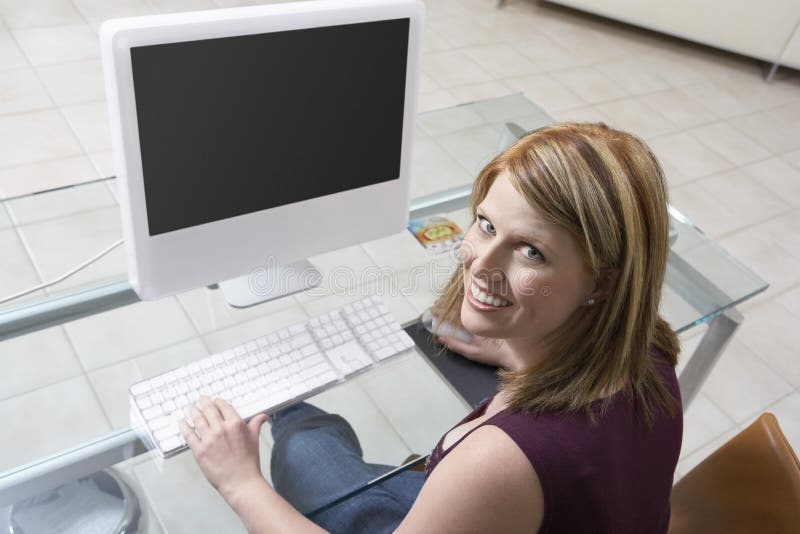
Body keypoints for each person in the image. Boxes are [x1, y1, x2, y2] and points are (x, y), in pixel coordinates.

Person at [179, 122, 683, 533]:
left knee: (304, 448)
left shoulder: (498, 462)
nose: (479, 264)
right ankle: (287, 410)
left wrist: (239, 483)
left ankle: (286, 414)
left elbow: (497, 476)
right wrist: (515, 347)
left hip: (477, 503)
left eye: (532, 251)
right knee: (307, 436)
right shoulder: (647, 349)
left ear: (603, 282)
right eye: (486, 224)